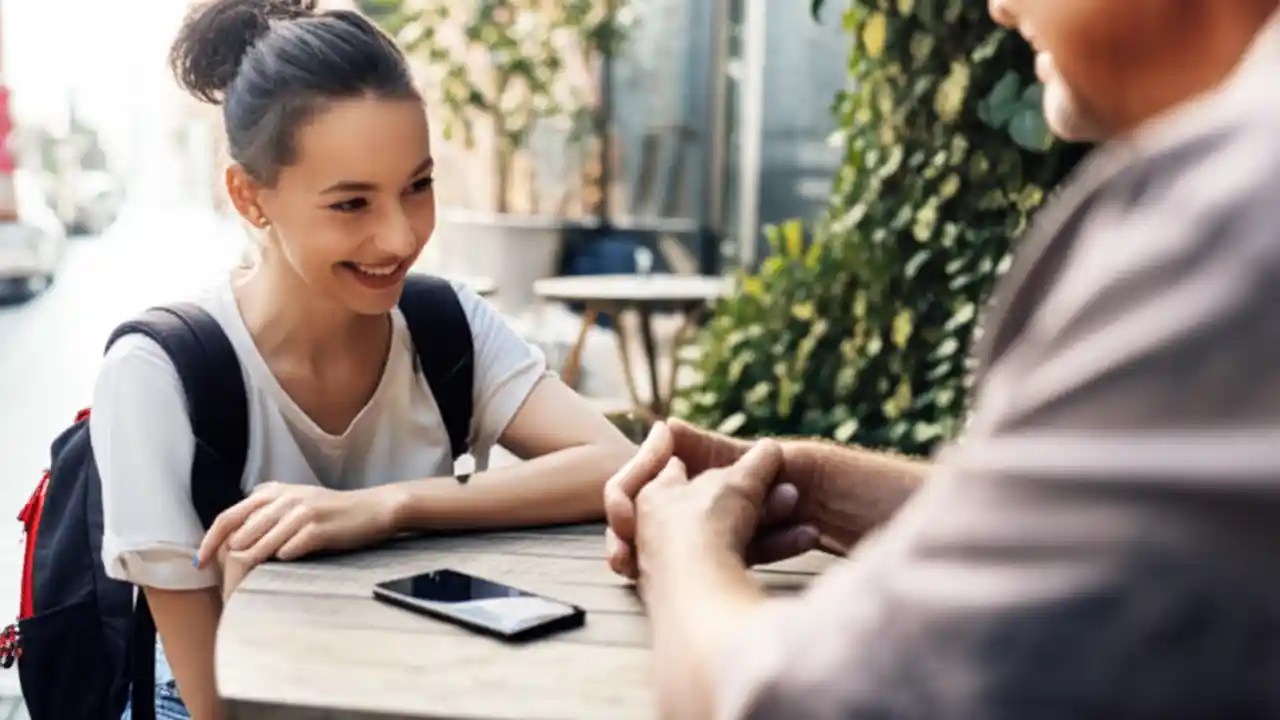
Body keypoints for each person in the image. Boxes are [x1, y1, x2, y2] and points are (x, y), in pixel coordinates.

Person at [605, 0, 1280, 717]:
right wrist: (812, 482)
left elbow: (795, 702)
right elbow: (1137, 542)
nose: (1000, 6)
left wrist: (680, 549)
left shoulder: (1235, 224)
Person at [92, 1, 635, 717]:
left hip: (411, 681)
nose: (400, 237)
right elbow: (214, 705)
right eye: (351, 204)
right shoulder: (158, 375)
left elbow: (615, 464)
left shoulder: (445, 323)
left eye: (419, 186)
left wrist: (384, 508)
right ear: (249, 196)